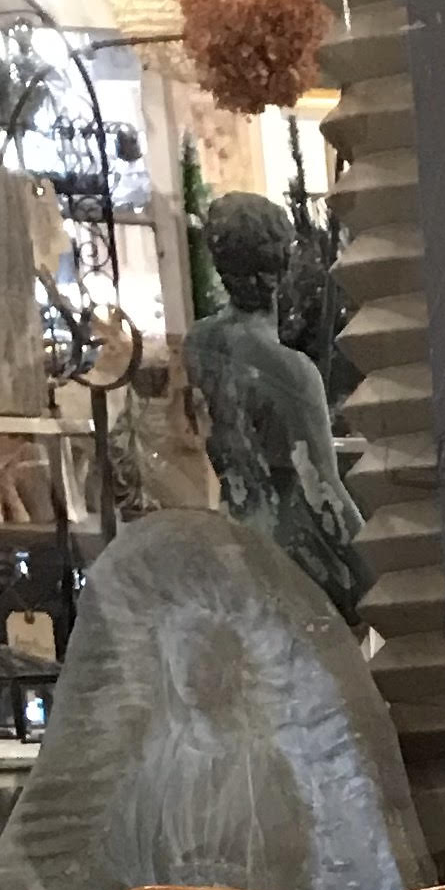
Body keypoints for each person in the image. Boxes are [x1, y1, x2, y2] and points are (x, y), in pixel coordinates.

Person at [182, 190, 368, 625]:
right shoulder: (290, 370)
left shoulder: (200, 342)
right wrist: (375, 570)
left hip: (232, 538)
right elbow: (323, 494)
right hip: (288, 559)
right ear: (284, 263)